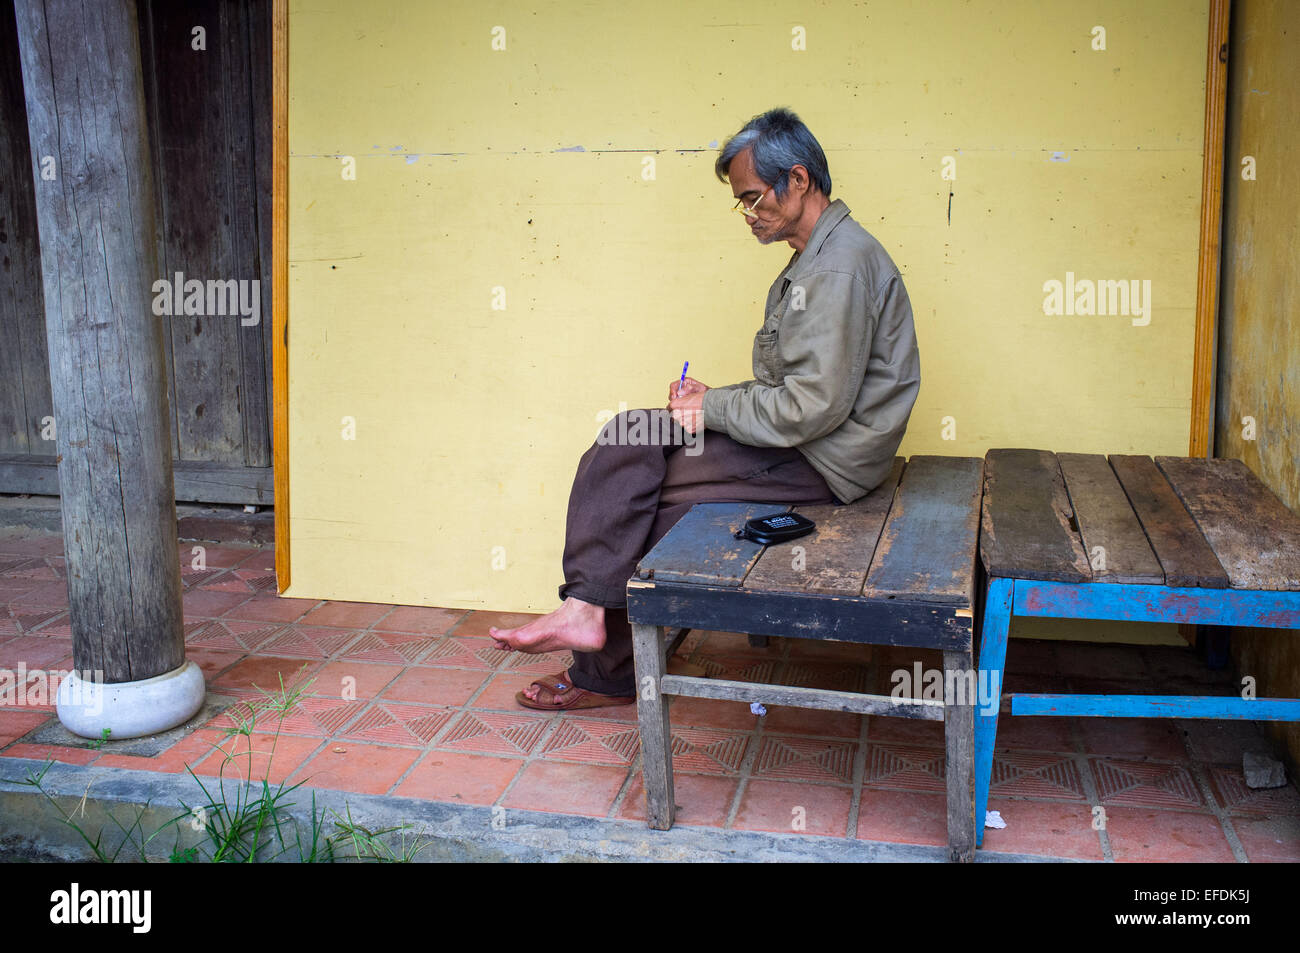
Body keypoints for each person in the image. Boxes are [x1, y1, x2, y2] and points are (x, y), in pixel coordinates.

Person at [490, 107, 921, 710]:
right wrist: (711, 403)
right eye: (741, 202)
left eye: (753, 197)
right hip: (807, 441)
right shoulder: (821, 257)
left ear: (797, 181)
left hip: (824, 459)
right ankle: (586, 612)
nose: (748, 213)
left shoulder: (838, 268)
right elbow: (803, 388)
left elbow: (811, 409)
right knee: (627, 437)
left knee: (644, 501)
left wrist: (711, 408)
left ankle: (598, 656)